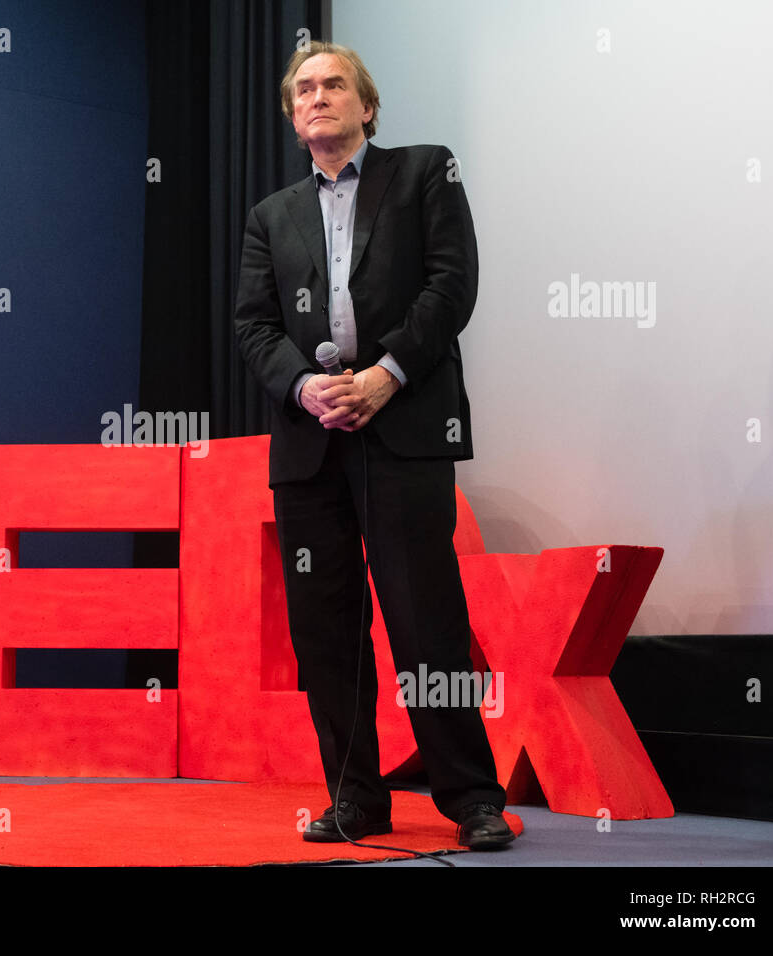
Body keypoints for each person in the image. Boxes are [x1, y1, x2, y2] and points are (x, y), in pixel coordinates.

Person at [233, 42, 514, 849]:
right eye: (303, 91)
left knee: (427, 621)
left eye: (333, 85)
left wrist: (385, 374)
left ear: (367, 104)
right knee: (325, 627)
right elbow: (254, 325)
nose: (317, 98)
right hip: (311, 441)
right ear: (293, 117)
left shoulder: (426, 171)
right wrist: (301, 385)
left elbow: (451, 285)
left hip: (404, 425)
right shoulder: (270, 216)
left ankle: (471, 799)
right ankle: (355, 798)